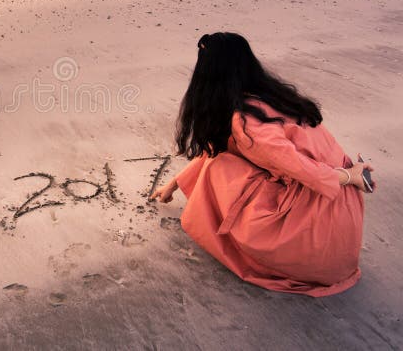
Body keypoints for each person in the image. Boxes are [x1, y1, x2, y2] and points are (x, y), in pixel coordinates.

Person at [149, 32, 374, 297]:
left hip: (316, 238)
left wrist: (351, 176)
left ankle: (240, 240)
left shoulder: (247, 121)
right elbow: (218, 148)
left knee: (218, 168)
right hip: (341, 234)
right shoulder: (269, 97)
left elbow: (305, 171)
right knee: (224, 157)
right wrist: (173, 184)